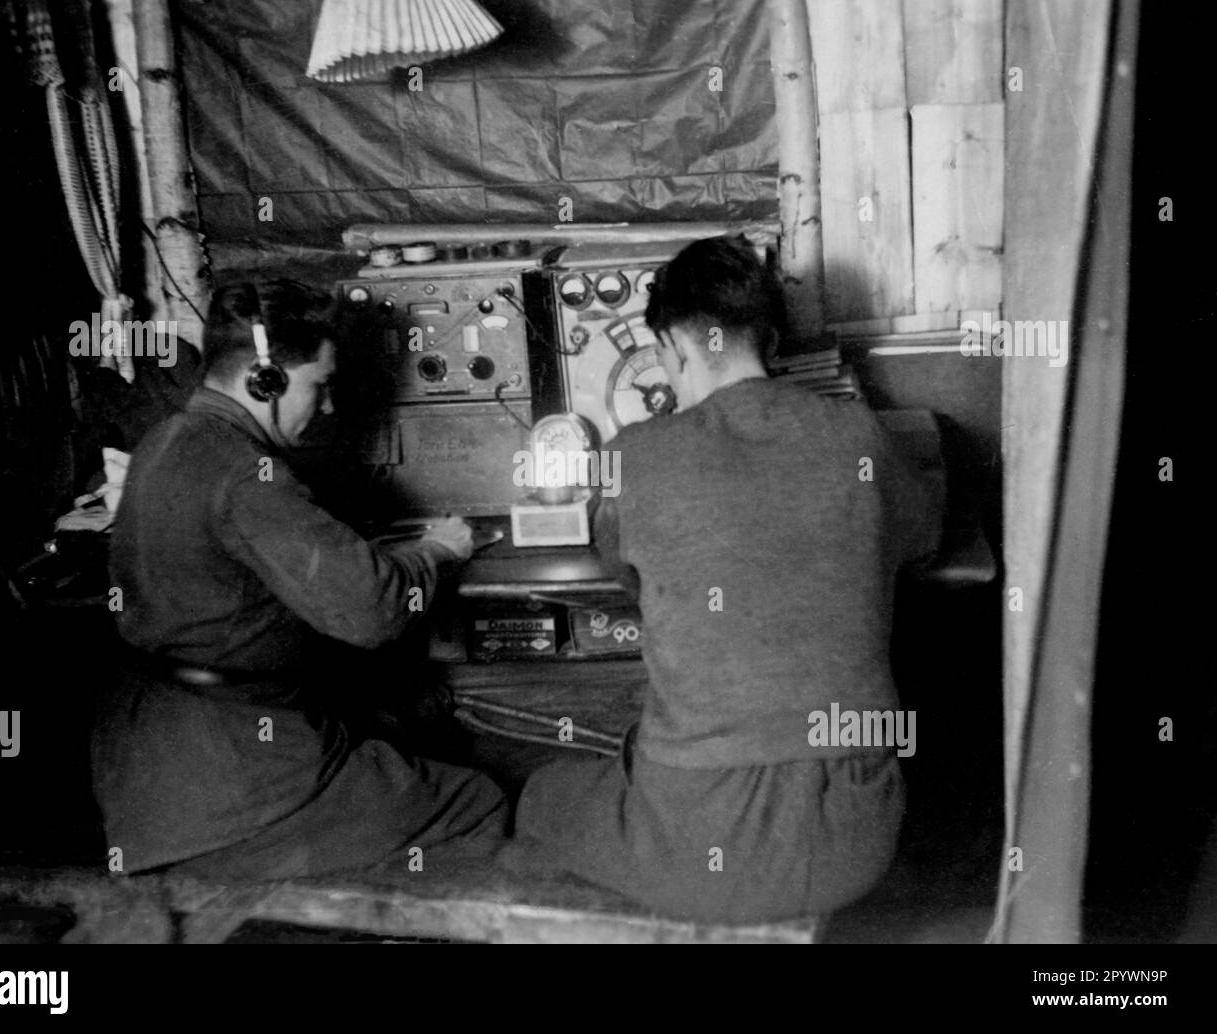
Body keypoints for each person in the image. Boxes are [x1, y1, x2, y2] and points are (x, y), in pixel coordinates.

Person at [513, 237, 943, 923]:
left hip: (703, 847)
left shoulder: (635, 457)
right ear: (768, 338)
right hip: (857, 835)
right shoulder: (861, 436)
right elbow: (923, 540)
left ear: (675, 350)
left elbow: (623, 572)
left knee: (541, 795)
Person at [91, 280, 509, 880]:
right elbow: (373, 612)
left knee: (401, 724)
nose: (330, 407)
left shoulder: (168, 438)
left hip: (151, 766)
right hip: (229, 786)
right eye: (321, 385)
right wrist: (437, 551)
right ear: (266, 380)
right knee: (474, 804)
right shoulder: (245, 472)